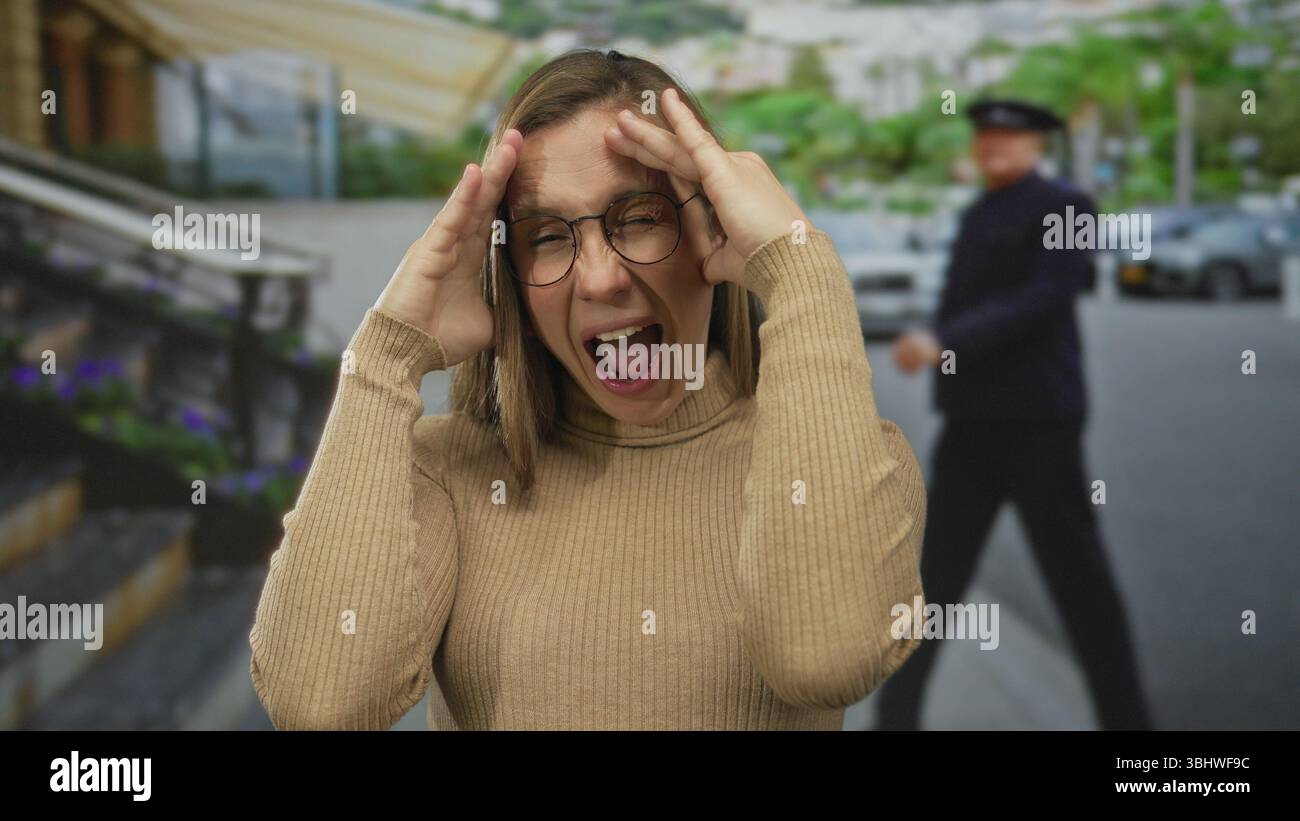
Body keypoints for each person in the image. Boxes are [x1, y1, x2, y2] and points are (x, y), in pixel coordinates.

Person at [248, 49, 927, 730]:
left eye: (637, 218)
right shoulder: (450, 471)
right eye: (546, 236)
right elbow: (318, 701)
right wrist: (388, 353)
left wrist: (801, 270)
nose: (600, 280)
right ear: (513, 279)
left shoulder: (853, 463)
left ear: (711, 226)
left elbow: (825, 657)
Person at [879, 100, 1151, 731]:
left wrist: (948, 341)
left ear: (1036, 144)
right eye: (985, 135)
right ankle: (895, 720)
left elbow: (1048, 293)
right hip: (972, 423)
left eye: (1009, 136)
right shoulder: (978, 213)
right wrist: (940, 338)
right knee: (936, 579)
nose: (994, 145)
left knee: (1078, 582)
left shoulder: (1067, 205)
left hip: (1038, 422)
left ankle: (1134, 735)